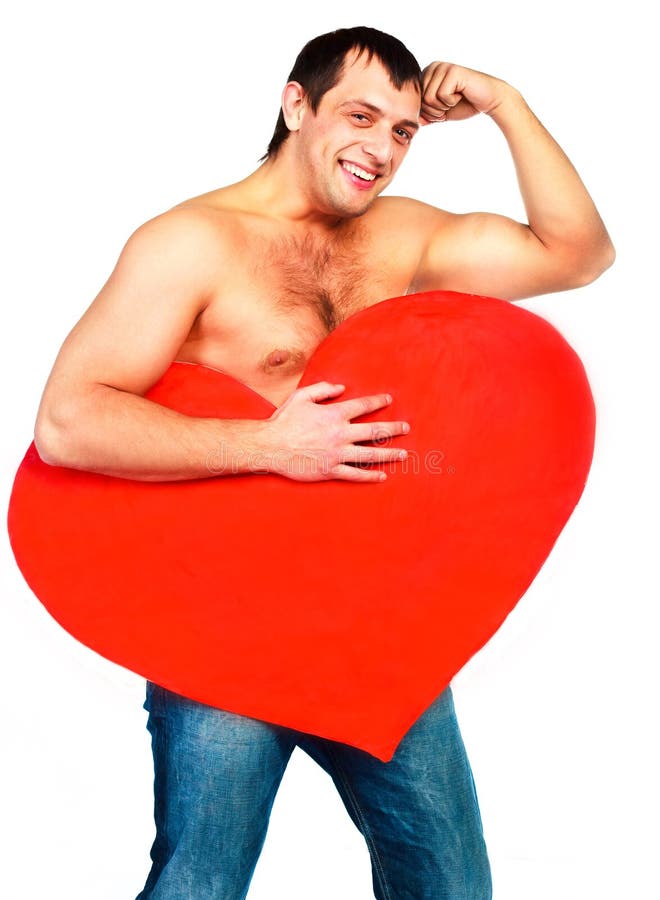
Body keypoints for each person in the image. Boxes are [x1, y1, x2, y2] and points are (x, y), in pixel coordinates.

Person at [33, 25, 614, 900]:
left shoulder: (400, 235)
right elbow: (68, 422)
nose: (382, 148)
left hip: (373, 621)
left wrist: (507, 105)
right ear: (296, 104)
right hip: (218, 625)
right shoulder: (191, 243)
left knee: (451, 884)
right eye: (361, 116)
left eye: (404, 130)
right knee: (200, 884)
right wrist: (270, 444)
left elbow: (578, 255)